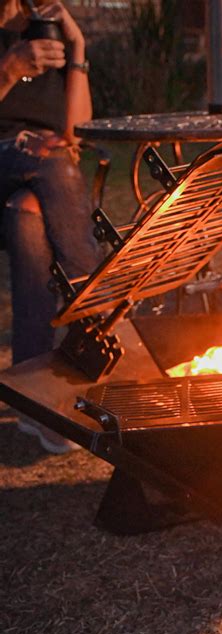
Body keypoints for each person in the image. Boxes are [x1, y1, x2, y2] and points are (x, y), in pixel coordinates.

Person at [0, 0, 101, 452]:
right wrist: (9, 69)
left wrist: (76, 45)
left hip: (41, 177)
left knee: (29, 216)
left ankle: (31, 396)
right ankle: (101, 318)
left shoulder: (49, 29)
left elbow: (78, 131)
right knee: (57, 170)